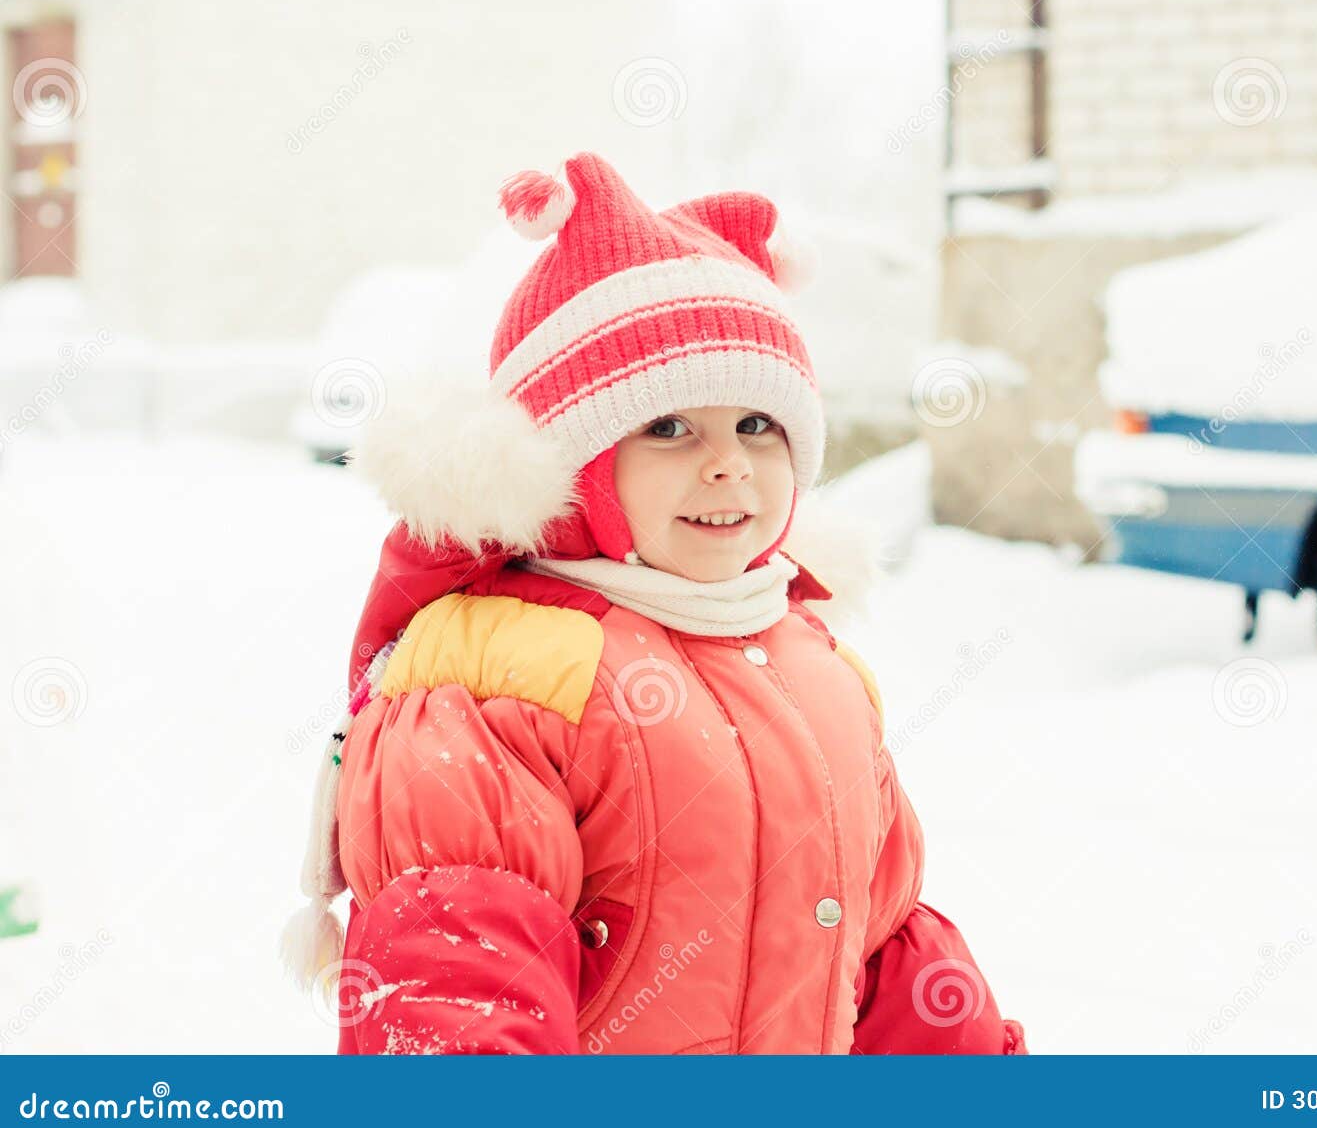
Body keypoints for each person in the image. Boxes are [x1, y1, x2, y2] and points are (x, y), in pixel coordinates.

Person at [282, 151, 1026, 1055]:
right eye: (669, 428)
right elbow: (460, 982)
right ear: (575, 466)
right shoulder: (497, 681)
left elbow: (883, 948)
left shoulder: (811, 665)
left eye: (758, 425)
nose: (728, 463)